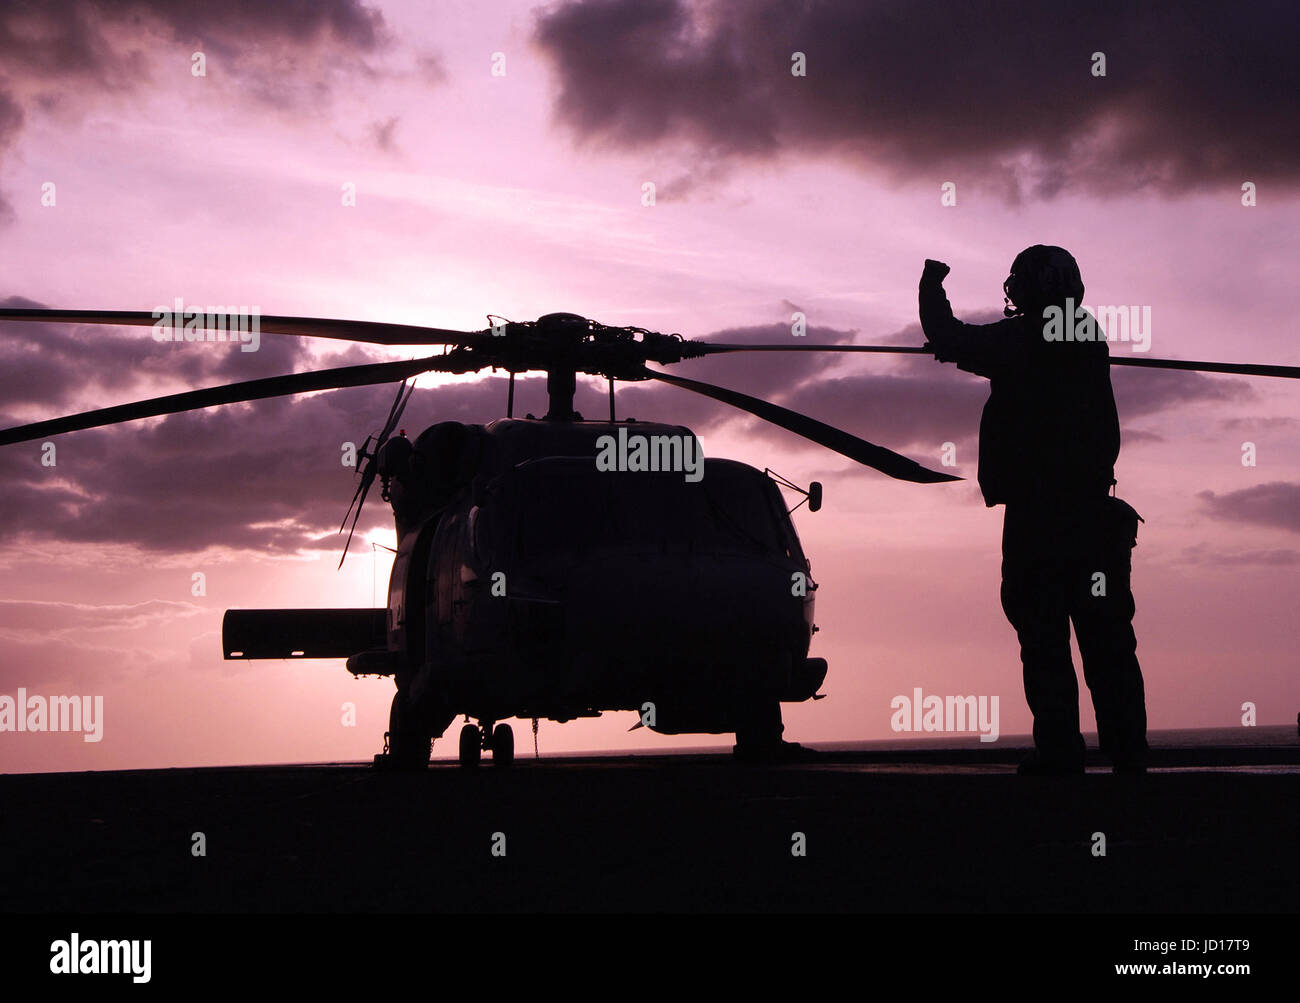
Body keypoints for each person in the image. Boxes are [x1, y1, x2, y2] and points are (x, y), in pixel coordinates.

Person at [918, 246, 1149, 776]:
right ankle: (1128, 752)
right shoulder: (1086, 333)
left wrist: (932, 284)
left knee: (1043, 637)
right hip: (1094, 515)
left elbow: (951, 336)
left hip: (1040, 519)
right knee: (1108, 637)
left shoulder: (1024, 336)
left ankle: (1061, 753)